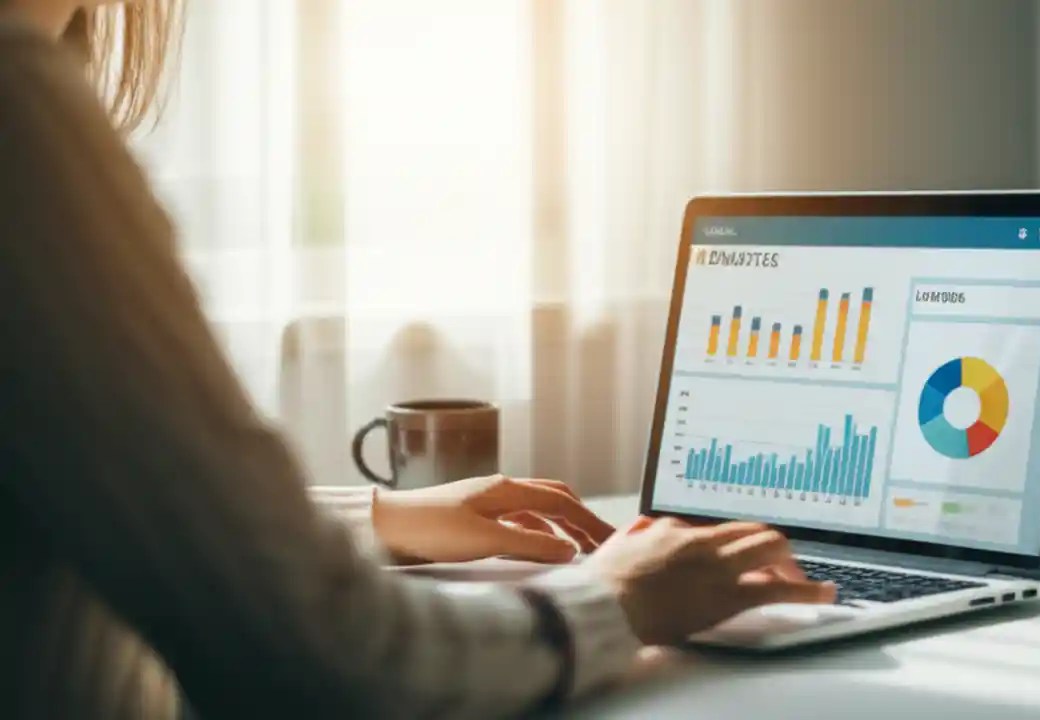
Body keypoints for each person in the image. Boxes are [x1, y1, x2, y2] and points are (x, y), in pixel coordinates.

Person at [0, 1, 836, 718]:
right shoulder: (22, 115)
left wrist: (386, 518)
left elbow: (101, 506)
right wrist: (616, 598)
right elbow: (323, 664)